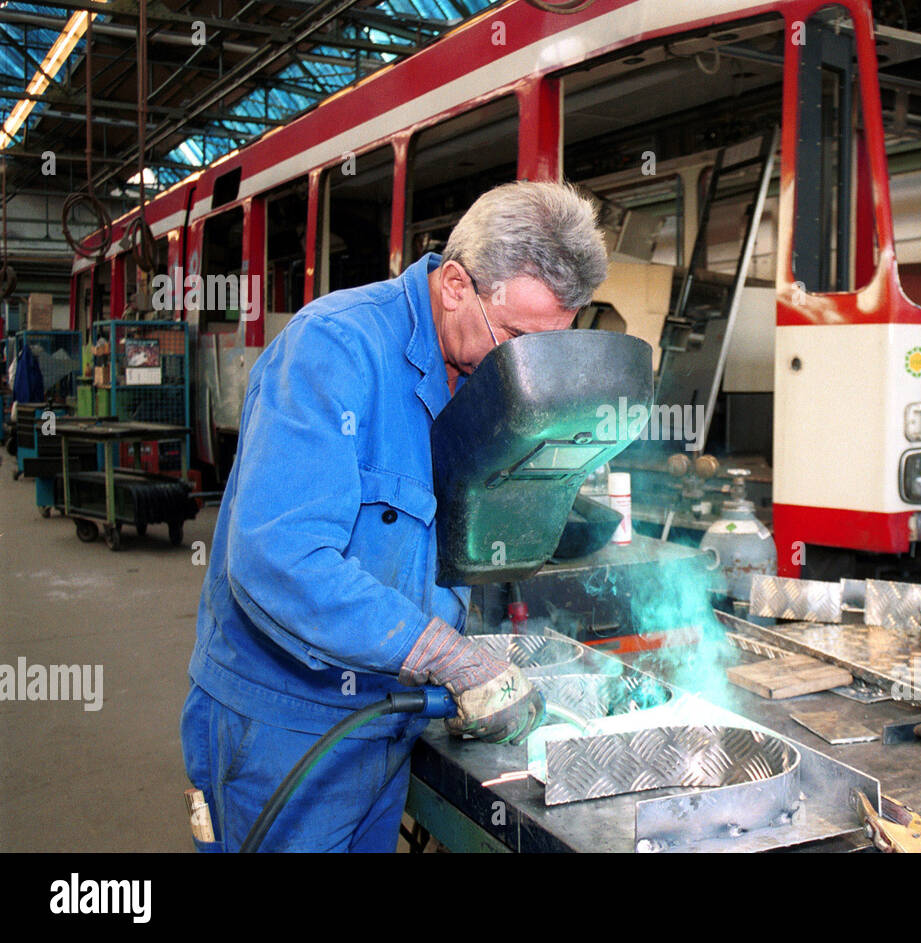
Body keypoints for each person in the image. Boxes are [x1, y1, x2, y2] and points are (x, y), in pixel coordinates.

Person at [180, 181, 608, 852]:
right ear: (456, 285)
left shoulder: (478, 370)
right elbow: (277, 558)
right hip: (288, 728)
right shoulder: (335, 348)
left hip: (390, 719)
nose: (523, 367)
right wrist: (446, 655)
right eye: (518, 338)